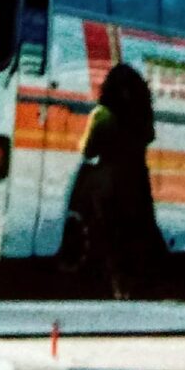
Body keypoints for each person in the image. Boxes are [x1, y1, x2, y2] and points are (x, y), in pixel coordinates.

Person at [73, 63, 168, 299]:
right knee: (138, 233)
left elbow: (87, 149)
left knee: (111, 237)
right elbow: (150, 136)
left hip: (109, 185)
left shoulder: (102, 115)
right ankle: (140, 286)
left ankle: (118, 288)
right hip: (137, 181)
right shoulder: (141, 115)